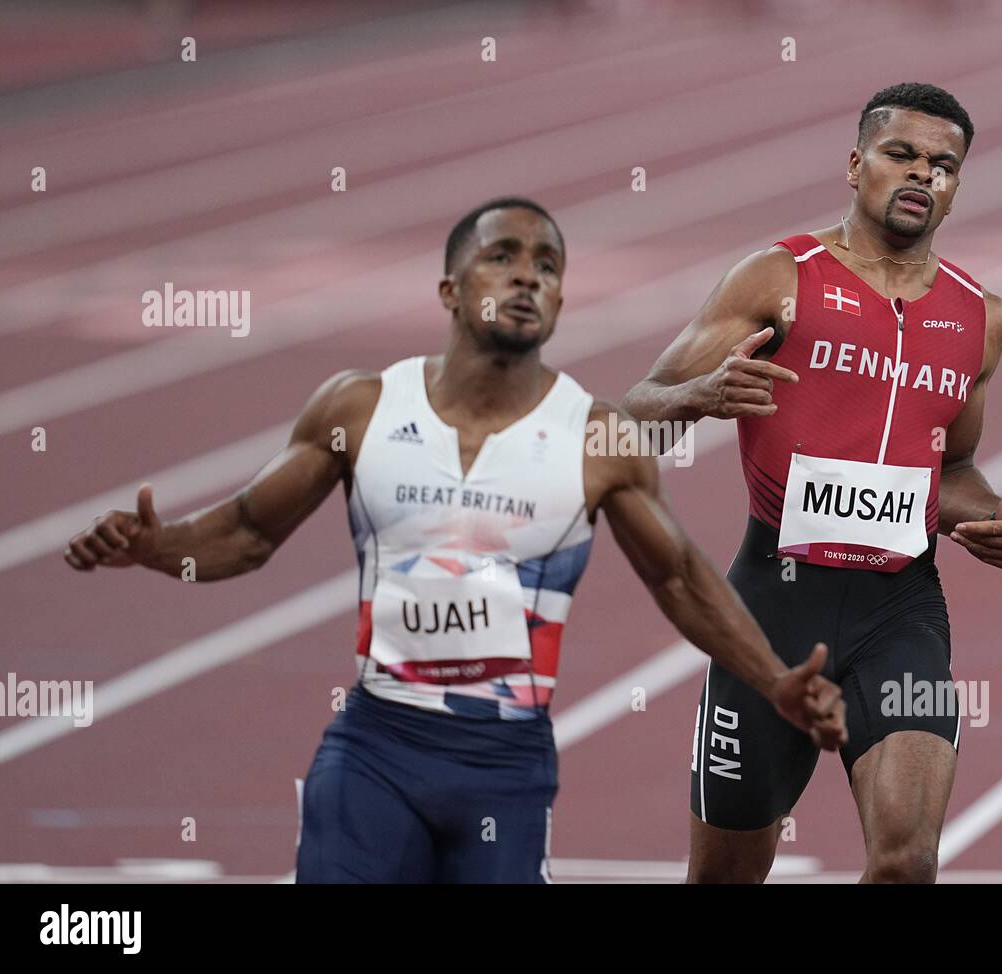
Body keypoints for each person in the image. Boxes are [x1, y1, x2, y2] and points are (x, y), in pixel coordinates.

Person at [64, 196, 847, 884]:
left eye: (546, 265)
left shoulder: (595, 439)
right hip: (375, 748)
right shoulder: (360, 409)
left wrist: (773, 679)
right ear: (449, 289)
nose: (526, 277)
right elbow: (245, 532)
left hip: (504, 769)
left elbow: (681, 581)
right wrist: (157, 546)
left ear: (561, 300)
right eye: (501, 257)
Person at [621, 83, 1002, 884]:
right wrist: (694, 398)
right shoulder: (779, 278)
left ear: (956, 187)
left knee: (906, 861)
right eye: (901, 154)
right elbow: (631, 415)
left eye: (943, 165)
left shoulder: (979, 316)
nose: (922, 175)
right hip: (773, 606)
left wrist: (985, 519)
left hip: (901, 608)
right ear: (856, 164)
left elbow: (947, 470)